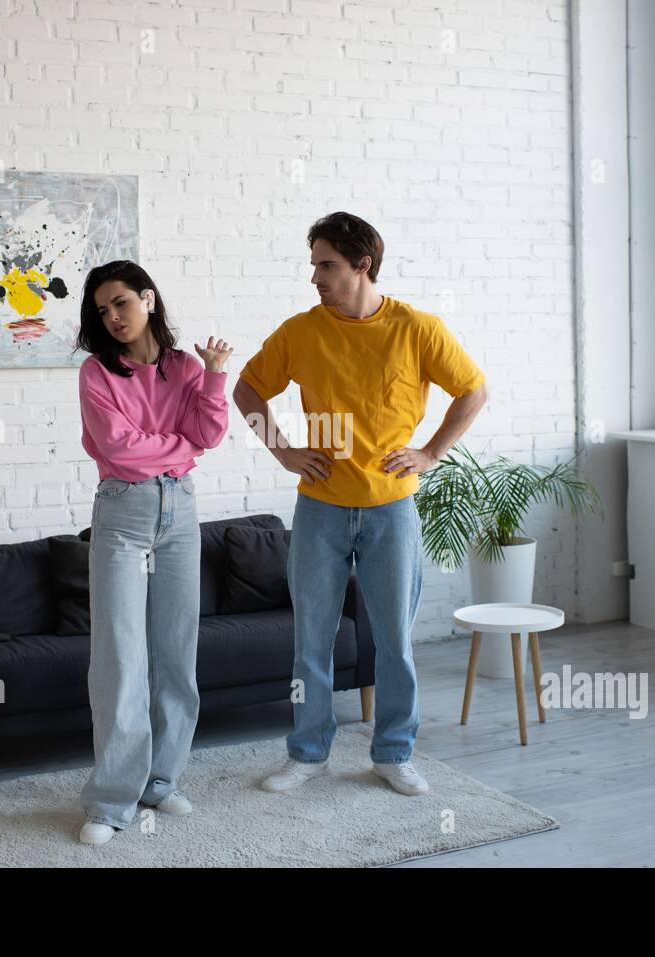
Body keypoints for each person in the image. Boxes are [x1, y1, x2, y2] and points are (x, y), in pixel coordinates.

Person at [233, 212, 487, 796]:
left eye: (326, 264)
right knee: (312, 640)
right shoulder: (301, 331)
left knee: (394, 640)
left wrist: (430, 452)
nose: (315, 277)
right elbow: (245, 388)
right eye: (314, 264)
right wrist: (285, 453)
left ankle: (394, 752)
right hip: (320, 507)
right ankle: (308, 753)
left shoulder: (417, 328)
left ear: (361, 264)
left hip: (391, 508)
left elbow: (473, 389)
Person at [73, 260, 232, 845]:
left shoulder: (186, 367)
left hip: (181, 513)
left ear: (148, 298)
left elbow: (210, 434)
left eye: (120, 303)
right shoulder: (96, 373)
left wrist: (214, 377)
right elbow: (119, 446)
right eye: (101, 310)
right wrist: (178, 444)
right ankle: (112, 801)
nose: (112, 317)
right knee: (119, 656)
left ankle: (160, 780)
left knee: (174, 651)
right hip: (122, 513)